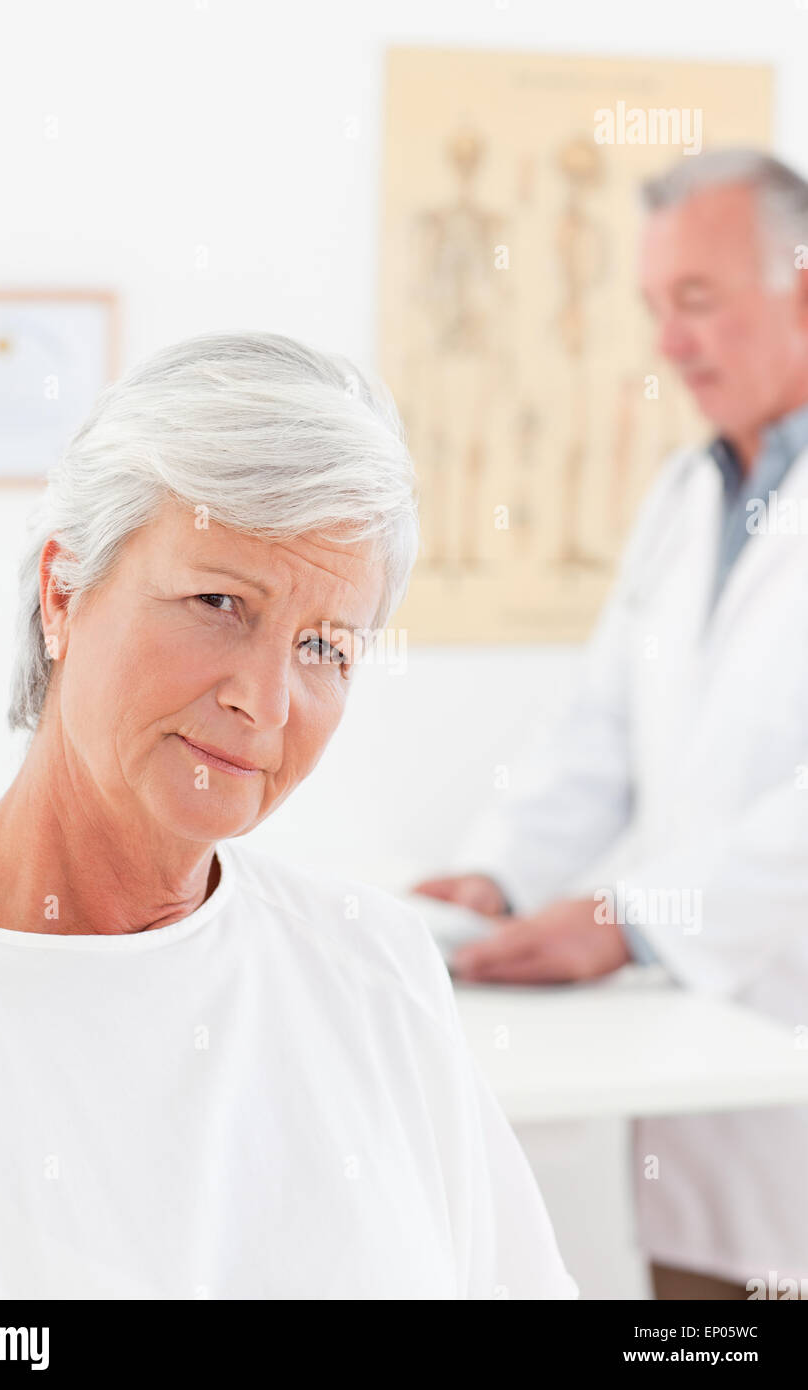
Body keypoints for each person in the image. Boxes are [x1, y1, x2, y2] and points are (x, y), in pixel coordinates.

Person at [0, 331, 577, 1301]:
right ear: (62, 590)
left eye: (323, 646)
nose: (264, 699)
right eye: (219, 600)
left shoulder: (376, 966)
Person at [415, 149, 808, 1301]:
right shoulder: (689, 497)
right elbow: (599, 724)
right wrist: (498, 869)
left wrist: (635, 918)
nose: (669, 342)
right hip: (703, 1095)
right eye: (651, 308)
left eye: (696, 300)